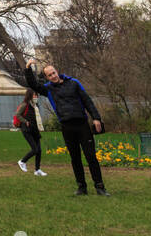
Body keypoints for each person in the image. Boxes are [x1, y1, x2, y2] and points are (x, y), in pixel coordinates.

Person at [25, 58, 108, 196]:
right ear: (47, 78)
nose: (53, 76)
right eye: (50, 75)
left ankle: (100, 187)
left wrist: (96, 118)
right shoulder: (48, 89)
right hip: (66, 126)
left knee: (90, 156)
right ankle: (82, 187)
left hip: (82, 125)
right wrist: (28, 68)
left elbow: (87, 100)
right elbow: (32, 84)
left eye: (54, 73)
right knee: (75, 158)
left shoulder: (74, 83)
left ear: (57, 71)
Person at [14, 88, 45, 176]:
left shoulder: (35, 105)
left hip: (35, 130)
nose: (35, 96)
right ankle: (22, 161)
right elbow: (17, 114)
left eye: (36, 95)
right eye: (34, 95)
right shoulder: (25, 104)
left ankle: (37, 170)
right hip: (27, 130)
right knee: (35, 149)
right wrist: (25, 121)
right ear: (29, 95)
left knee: (39, 151)